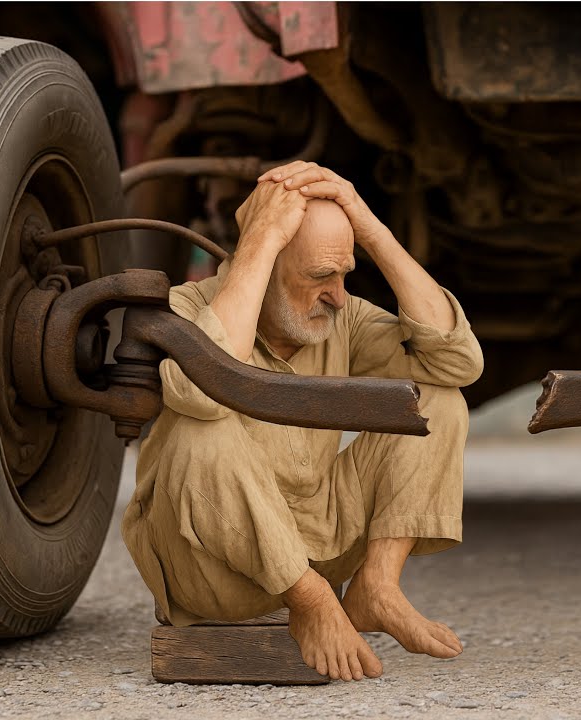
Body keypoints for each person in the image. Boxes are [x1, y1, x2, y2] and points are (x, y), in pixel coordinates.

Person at [122, 161, 483, 682]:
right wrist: (259, 242)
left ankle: (377, 587)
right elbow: (197, 397)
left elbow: (458, 365)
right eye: (320, 277)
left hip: (317, 541)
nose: (337, 294)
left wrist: (371, 229)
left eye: (344, 275)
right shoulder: (186, 308)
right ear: (263, 265)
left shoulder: (344, 318)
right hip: (210, 567)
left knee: (436, 402)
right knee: (204, 426)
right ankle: (310, 601)